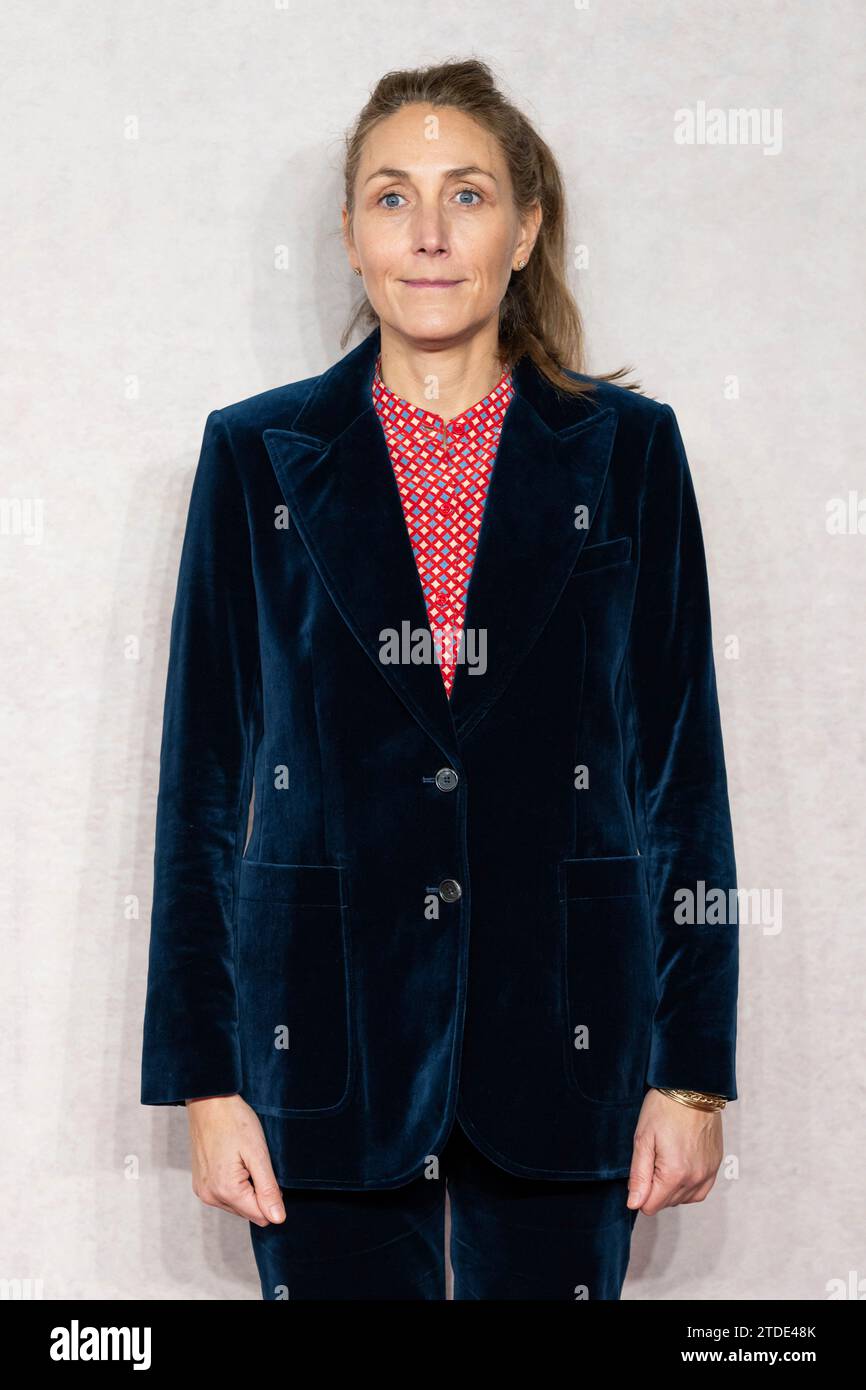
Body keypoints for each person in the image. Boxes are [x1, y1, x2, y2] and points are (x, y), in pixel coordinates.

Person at [141, 58, 739, 1301]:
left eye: (466, 196)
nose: (426, 234)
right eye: (390, 197)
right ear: (350, 237)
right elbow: (201, 782)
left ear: (524, 230)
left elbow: (683, 772)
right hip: (327, 1041)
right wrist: (207, 1080)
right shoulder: (254, 455)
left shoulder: (628, 453)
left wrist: (691, 1072)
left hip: (568, 1039)